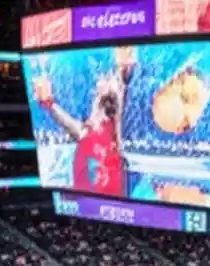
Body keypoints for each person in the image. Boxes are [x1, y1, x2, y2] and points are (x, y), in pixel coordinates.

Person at [30, 46, 137, 197]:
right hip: (96, 204)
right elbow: (118, 101)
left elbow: (118, 102)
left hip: (102, 205)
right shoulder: (94, 134)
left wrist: (123, 72)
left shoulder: (107, 134)